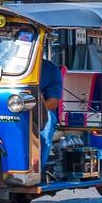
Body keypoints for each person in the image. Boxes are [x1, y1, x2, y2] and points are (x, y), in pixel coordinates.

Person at [38, 42, 63, 176]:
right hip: (11, 111)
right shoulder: (6, 65)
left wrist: (35, 113)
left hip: (40, 111)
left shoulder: (50, 69)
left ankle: (38, 170)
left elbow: (53, 102)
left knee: (46, 122)